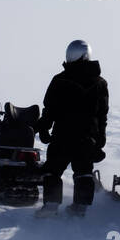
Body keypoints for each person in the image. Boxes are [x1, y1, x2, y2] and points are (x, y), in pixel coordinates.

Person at [36, 39, 108, 217]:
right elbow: (102, 115)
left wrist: (44, 128)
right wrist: (100, 139)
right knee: (83, 171)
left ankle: (51, 206)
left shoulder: (60, 80)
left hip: (63, 135)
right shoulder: (100, 83)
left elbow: (49, 109)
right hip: (86, 137)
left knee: (54, 170)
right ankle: (79, 208)